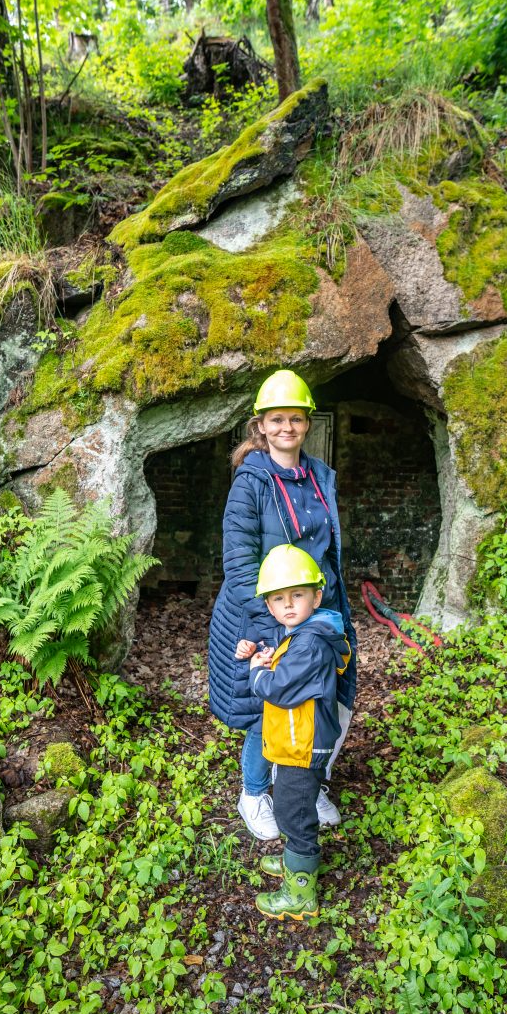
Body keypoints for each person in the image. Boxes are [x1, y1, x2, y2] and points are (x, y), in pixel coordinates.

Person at [208, 369, 356, 840]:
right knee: (267, 708)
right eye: (276, 420)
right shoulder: (250, 483)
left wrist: (335, 616)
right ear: (262, 425)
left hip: (317, 611)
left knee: (320, 702)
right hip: (268, 614)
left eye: (295, 418)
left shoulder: (318, 477)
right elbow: (238, 563)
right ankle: (253, 795)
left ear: (307, 423)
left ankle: (306, 787)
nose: (286, 427)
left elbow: (328, 550)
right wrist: (270, 626)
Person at [241, 544, 351, 920]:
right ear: (270, 606)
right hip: (298, 741)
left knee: (295, 813)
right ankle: (295, 861)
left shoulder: (310, 643)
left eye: (298, 595)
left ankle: (301, 894)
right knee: (291, 807)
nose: (288, 605)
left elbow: (280, 689)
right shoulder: (303, 635)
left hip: (302, 745)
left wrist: (259, 671)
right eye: (279, 599)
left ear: (316, 596)